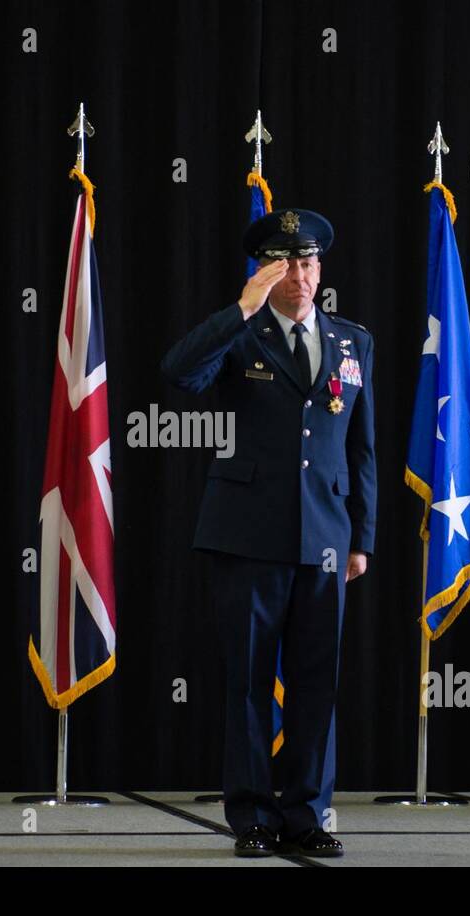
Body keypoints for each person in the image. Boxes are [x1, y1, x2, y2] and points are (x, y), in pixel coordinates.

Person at [160, 208, 377, 858]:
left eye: (309, 264)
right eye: (287, 265)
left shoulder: (352, 343)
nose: (301, 278)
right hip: (247, 536)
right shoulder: (242, 337)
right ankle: (253, 816)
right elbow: (178, 373)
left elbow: (362, 448)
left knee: (319, 683)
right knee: (250, 681)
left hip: (327, 539)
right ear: (266, 271)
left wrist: (362, 537)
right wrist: (240, 308)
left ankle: (308, 813)